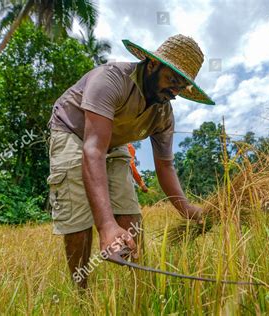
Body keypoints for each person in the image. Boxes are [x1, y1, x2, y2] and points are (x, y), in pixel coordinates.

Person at [46, 34, 215, 288]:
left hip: (112, 142)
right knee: (78, 210)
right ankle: (81, 293)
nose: (175, 93)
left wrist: (188, 210)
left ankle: (141, 286)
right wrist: (106, 226)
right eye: (172, 80)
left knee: (129, 211)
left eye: (181, 87)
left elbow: (165, 166)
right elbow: (93, 150)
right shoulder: (111, 79)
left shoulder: (163, 114)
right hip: (74, 131)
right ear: (152, 64)